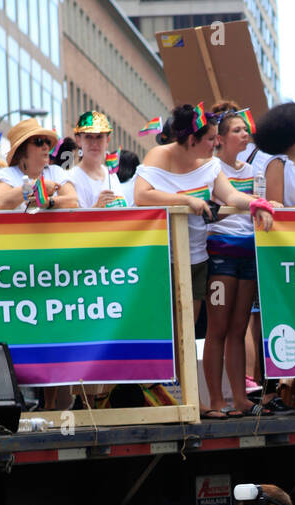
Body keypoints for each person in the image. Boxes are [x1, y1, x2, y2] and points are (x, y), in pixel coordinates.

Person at [134, 103, 265, 325]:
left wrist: (260, 204)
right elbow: (142, 195)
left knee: (188, 329)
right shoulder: (159, 154)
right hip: (161, 257)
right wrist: (186, 200)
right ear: (192, 139)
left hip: (197, 257)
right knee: (165, 330)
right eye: (211, 139)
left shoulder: (211, 164)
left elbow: (232, 196)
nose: (216, 144)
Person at [202, 102, 258, 418]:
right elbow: (209, 208)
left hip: (248, 255)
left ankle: (240, 399)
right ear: (220, 138)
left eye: (245, 129)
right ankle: (216, 400)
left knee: (239, 329)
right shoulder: (209, 168)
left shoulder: (251, 170)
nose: (244, 133)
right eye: (237, 130)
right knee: (218, 328)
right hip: (220, 256)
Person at [0, 119, 80, 213]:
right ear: (22, 148)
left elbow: (73, 201)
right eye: (39, 141)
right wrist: (36, 187)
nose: (46, 147)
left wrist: (49, 202)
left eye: (47, 142)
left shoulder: (56, 171)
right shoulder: (7, 174)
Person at [64, 111, 127, 209]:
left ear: (107, 140)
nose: (94, 143)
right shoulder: (70, 178)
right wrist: (97, 207)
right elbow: (71, 222)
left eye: (99, 137)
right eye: (88, 137)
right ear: (78, 140)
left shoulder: (112, 176)